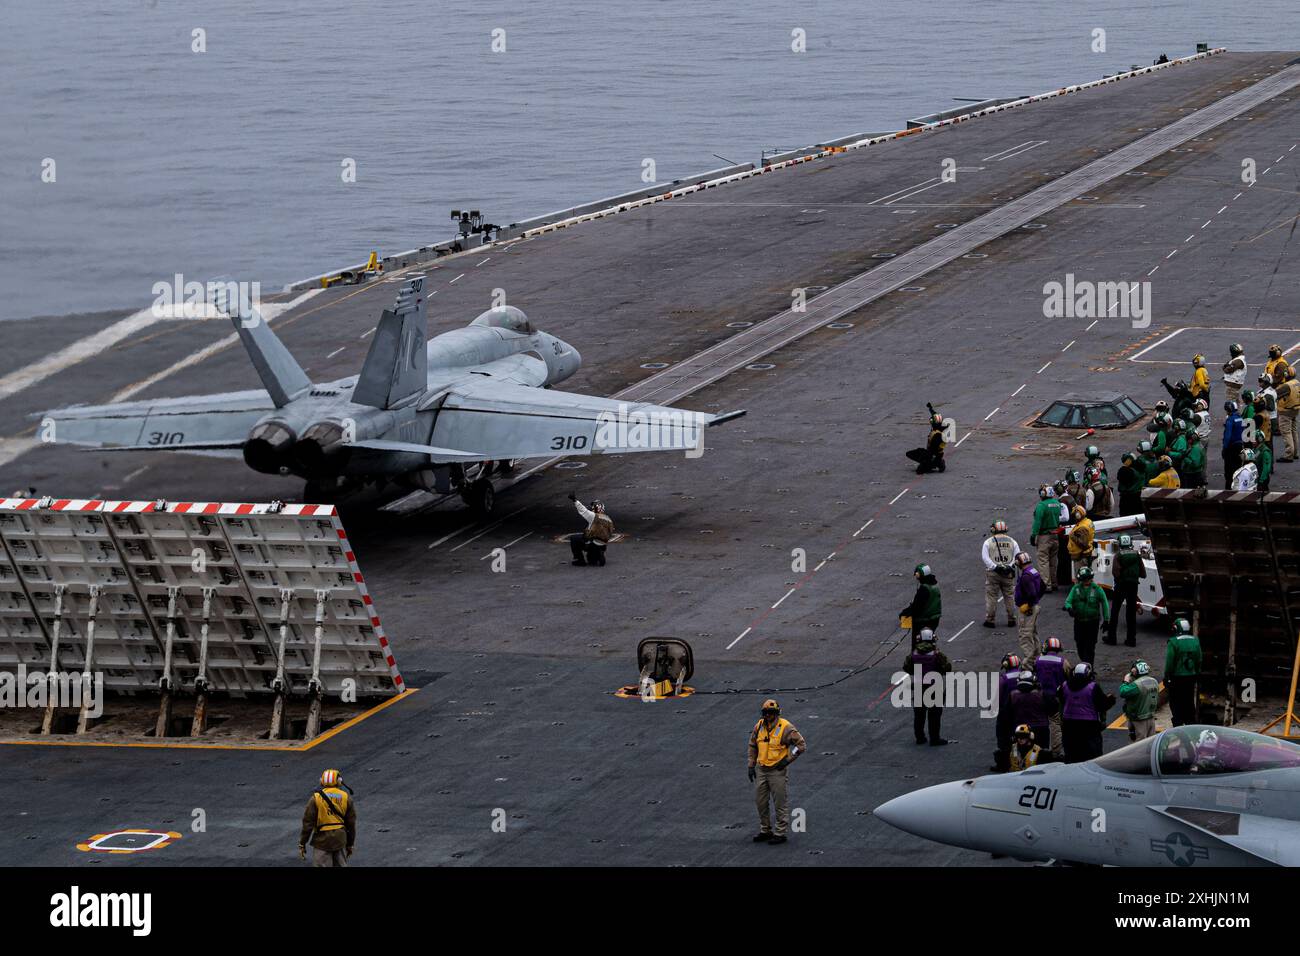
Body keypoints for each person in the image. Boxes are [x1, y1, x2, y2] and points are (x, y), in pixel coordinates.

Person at [747, 699, 806, 844]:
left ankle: (780, 833)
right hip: (761, 769)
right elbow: (752, 745)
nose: (768, 716)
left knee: (780, 802)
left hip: (777, 771)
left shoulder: (786, 727)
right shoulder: (759, 726)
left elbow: (801, 745)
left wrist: (787, 760)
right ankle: (765, 830)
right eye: (766, 713)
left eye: (771, 713)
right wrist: (751, 765)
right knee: (760, 802)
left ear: (777, 713)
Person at [299, 769, 356, 867]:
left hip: (321, 840)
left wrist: (302, 843)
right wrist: (350, 844)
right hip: (340, 839)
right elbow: (351, 825)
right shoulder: (346, 797)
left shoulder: (316, 798)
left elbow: (307, 824)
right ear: (339, 781)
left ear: (322, 781)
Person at [904, 628, 952, 746]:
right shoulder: (937, 654)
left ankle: (920, 737)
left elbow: (907, 668)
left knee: (919, 715)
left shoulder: (913, 654)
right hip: (935, 688)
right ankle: (934, 739)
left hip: (919, 688)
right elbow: (947, 668)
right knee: (934, 715)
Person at [1058, 662, 1114, 763]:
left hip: (1069, 723)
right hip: (1089, 725)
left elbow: (1060, 700)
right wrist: (1111, 700)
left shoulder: (1065, 685)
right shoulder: (1092, 687)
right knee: (1093, 756)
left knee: (1071, 753)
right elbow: (1102, 705)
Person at [1106, 534, 1146, 648]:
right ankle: (1131, 639)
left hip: (1121, 585)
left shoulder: (1118, 555)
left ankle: (1112, 637)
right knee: (1131, 613)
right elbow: (1143, 573)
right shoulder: (1136, 554)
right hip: (1133, 586)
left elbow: (1115, 572)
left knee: (1115, 612)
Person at [1034, 637, 1071, 758]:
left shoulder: (1038, 660)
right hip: (1055, 698)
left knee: (1039, 723)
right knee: (1055, 724)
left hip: (1039, 697)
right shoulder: (1063, 662)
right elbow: (1070, 678)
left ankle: (1039, 750)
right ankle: (1056, 752)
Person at [1064, 566, 1108, 665]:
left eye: (1088, 579)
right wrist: (1069, 608)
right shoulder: (1075, 589)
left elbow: (1105, 603)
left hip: (1093, 622)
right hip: (1079, 622)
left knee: (1090, 646)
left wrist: (1106, 620)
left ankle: (1089, 667)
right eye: (1084, 580)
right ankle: (1085, 663)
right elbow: (1068, 601)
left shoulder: (1097, 589)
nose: (1086, 581)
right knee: (1079, 644)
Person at [1006, 670, 1055, 758]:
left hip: (1019, 729)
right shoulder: (1042, 694)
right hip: (1040, 729)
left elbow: (1006, 715)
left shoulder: (1013, 695)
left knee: (1019, 755)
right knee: (1042, 754)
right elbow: (1052, 709)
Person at [981, 521, 1019, 629]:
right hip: (1008, 573)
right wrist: (1009, 566)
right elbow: (1017, 556)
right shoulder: (1013, 542)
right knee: (1010, 596)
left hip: (993, 573)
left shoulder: (988, 542)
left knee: (992, 596)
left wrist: (995, 567)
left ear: (993, 530)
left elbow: (985, 558)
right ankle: (1011, 619)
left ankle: (990, 620)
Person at [1164, 618, 1202, 726]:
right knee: (1189, 701)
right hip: (1191, 677)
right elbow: (1199, 659)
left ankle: (1178, 724)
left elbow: (1169, 662)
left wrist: (1167, 676)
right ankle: (1190, 724)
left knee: (1175, 703)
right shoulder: (1195, 640)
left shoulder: (1173, 642)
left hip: (1177, 677)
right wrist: (1197, 672)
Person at [991, 652, 1023, 772]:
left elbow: (998, 695)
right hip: (1020, 711)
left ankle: (1004, 764)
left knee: (1003, 738)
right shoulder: (1024, 675)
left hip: (1005, 712)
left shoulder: (1004, 678)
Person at [900, 563, 942, 646]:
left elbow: (917, 607)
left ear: (920, 574)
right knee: (928, 642)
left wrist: (905, 613)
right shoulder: (935, 585)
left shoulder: (924, 589)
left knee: (917, 644)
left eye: (917, 573)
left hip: (923, 621)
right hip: (934, 619)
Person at [1013, 551, 1045, 660]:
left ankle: (1029, 663)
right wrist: (1036, 600)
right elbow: (1043, 587)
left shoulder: (1026, 576)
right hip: (1034, 606)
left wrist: (1028, 605)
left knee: (1025, 636)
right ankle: (1038, 658)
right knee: (1033, 633)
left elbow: (1032, 593)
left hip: (1027, 610)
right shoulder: (1033, 571)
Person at [1029, 486, 1061, 591]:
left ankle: (1046, 584)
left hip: (1044, 536)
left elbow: (1037, 522)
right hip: (1055, 535)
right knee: (1053, 560)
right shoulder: (1057, 503)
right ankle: (1054, 582)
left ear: (1043, 494)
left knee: (1043, 560)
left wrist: (1033, 535)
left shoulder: (1041, 505)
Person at [1119, 660, 1160, 741]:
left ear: (1135, 672)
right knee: (1151, 742)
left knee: (1139, 744)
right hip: (1150, 716)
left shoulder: (1137, 684)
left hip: (1139, 719)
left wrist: (1125, 681)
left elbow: (1123, 692)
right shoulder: (1154, 681)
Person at [567, 494, 613, 566]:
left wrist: (575, 500)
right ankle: (599, 554)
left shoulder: (593, 516)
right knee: (591, 561)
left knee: (574, 539)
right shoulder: (609, 519)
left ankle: (580, 560)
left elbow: (582, 510)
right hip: (603, 545)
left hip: (592, 543)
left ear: (595, 508)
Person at [907, 403, 947, 474]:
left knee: (919, 471)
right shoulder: (938, 428)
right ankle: (937, 463)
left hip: (933, 455)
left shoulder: (937, 435)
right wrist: (930, 408)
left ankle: (936, 463)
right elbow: (934, 415)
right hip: (934, 454)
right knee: (912, 454)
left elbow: (935, 449)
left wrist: (928, 460)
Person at [1275, 368, 1299, 463]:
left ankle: (1289, 454)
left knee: (1286, 432)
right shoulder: (1297, 382)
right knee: (1293, 431)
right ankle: (1295, 452)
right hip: (1295, 409)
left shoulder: (1286, 386)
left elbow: (1276, 394)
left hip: (1286, 411)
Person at [1066, 504, 1095, 581]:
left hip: (1081, 556)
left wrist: (1073, 537)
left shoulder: (1082, 527)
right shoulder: (1087, 521)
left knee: (1080, 579)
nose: (1074, 517)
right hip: (1085, 555)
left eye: (1074, 515)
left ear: (1078, 515)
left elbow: (1083, 544)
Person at [1222, 401, 1245, 489]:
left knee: (1229, 469)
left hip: (1231, 447)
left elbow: (1227, 436)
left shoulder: (1230, 420)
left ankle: (1228, 488)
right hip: (1240, 445)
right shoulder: (1240, 418)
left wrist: (1225, 448)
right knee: (1238, 467)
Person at [1116, 452, 1145, 516]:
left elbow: (1120, 476)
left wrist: (1125, 466)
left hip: (1128, 498)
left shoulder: (1128, 471)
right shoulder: (1140, 468)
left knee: (1126, 517)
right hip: (1139, 495)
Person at [1256, 373, 1278, 452]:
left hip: (1269, 419)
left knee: (1267, 441)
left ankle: (1268, 458)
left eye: (1261, 381)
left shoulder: (1268, 394)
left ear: (1266, 382)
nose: (1259, 382)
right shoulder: (1266, 391)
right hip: (1268, 418)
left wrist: (1260, 405)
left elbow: (1271, 408)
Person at [1222, 343, 1247, 407]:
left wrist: (1226, 367)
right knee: (1236, 401)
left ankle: (1233, 415)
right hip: (1234, 385)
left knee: (1231, 404)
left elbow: (1227, 370)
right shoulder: (1237, 359)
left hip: (1233, 386)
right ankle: (1238, 413)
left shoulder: (1238, 361)